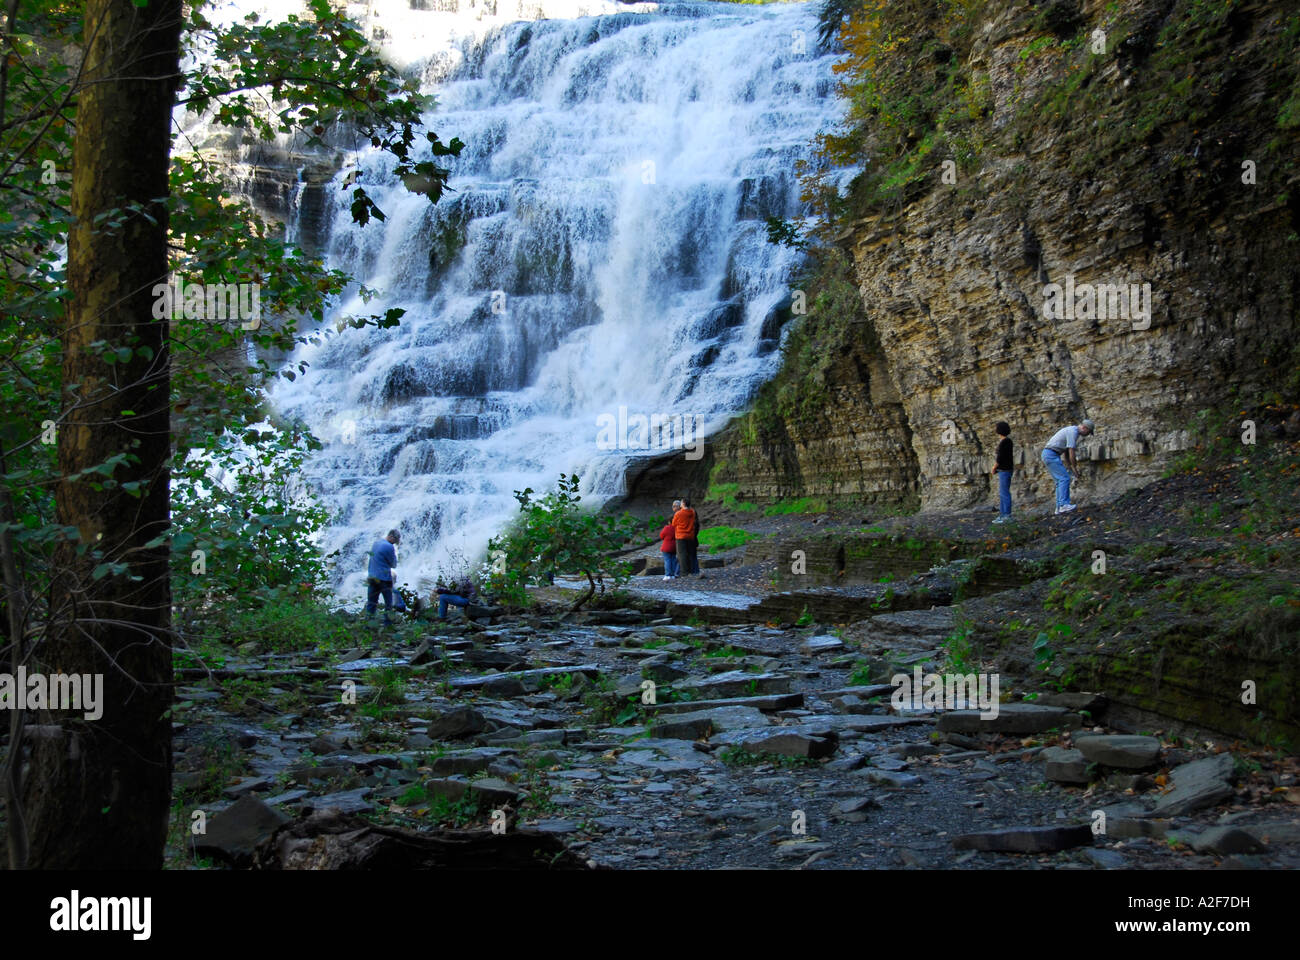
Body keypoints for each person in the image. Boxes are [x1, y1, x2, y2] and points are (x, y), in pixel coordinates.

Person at [1040, 419, 1095, 514]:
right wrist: (1074, 468)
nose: (1087, 434)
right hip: (1051, 454)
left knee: (1059, 481)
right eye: (1088, 432)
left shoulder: (1071, 431)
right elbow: (1071, 452)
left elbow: (1065, 453)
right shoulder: (1073, 432)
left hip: (1049, 454)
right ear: (1085, 428)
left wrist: (1069, 466)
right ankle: (1063, 505)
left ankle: (1058, 508)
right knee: (1064, 479)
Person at [365, 529, 400, 625]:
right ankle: (387, 624)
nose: (395, 543)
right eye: (395, 541)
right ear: (391, 537)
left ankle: (368, 624)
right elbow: (393, 565)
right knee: (388, 603)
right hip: (383, 579)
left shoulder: (376, 543)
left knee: (371, 602)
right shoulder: (389, 547)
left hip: (372, 577)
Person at [673, 497, 701, 578]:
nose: (680, 504)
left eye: (681, 503)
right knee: (690, 553)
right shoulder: (692, 512)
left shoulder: (678, 513)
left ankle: (684, 572)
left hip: (680, 536)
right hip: (690, 535)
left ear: (684, 503)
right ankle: (692, 571)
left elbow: (674, 524)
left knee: (682, 555)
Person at [992, 421, 1013, 523]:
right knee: (1003, 493)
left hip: (1004, 470)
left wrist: (994, 467)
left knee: (1004, 493)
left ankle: (1007, 516)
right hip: (1005, 470)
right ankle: (1003, 515)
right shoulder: (1007, 441)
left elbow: (1000, 457)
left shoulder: (1005, 442)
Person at [660, 501, 680, 580]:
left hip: (666, 547)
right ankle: (673, 574)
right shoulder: (677, 528)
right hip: (674, 547)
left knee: (667, 561)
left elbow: (661, 536)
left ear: (669, 521)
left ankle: (667, 574)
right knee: (673, 560)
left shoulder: (667, 528)